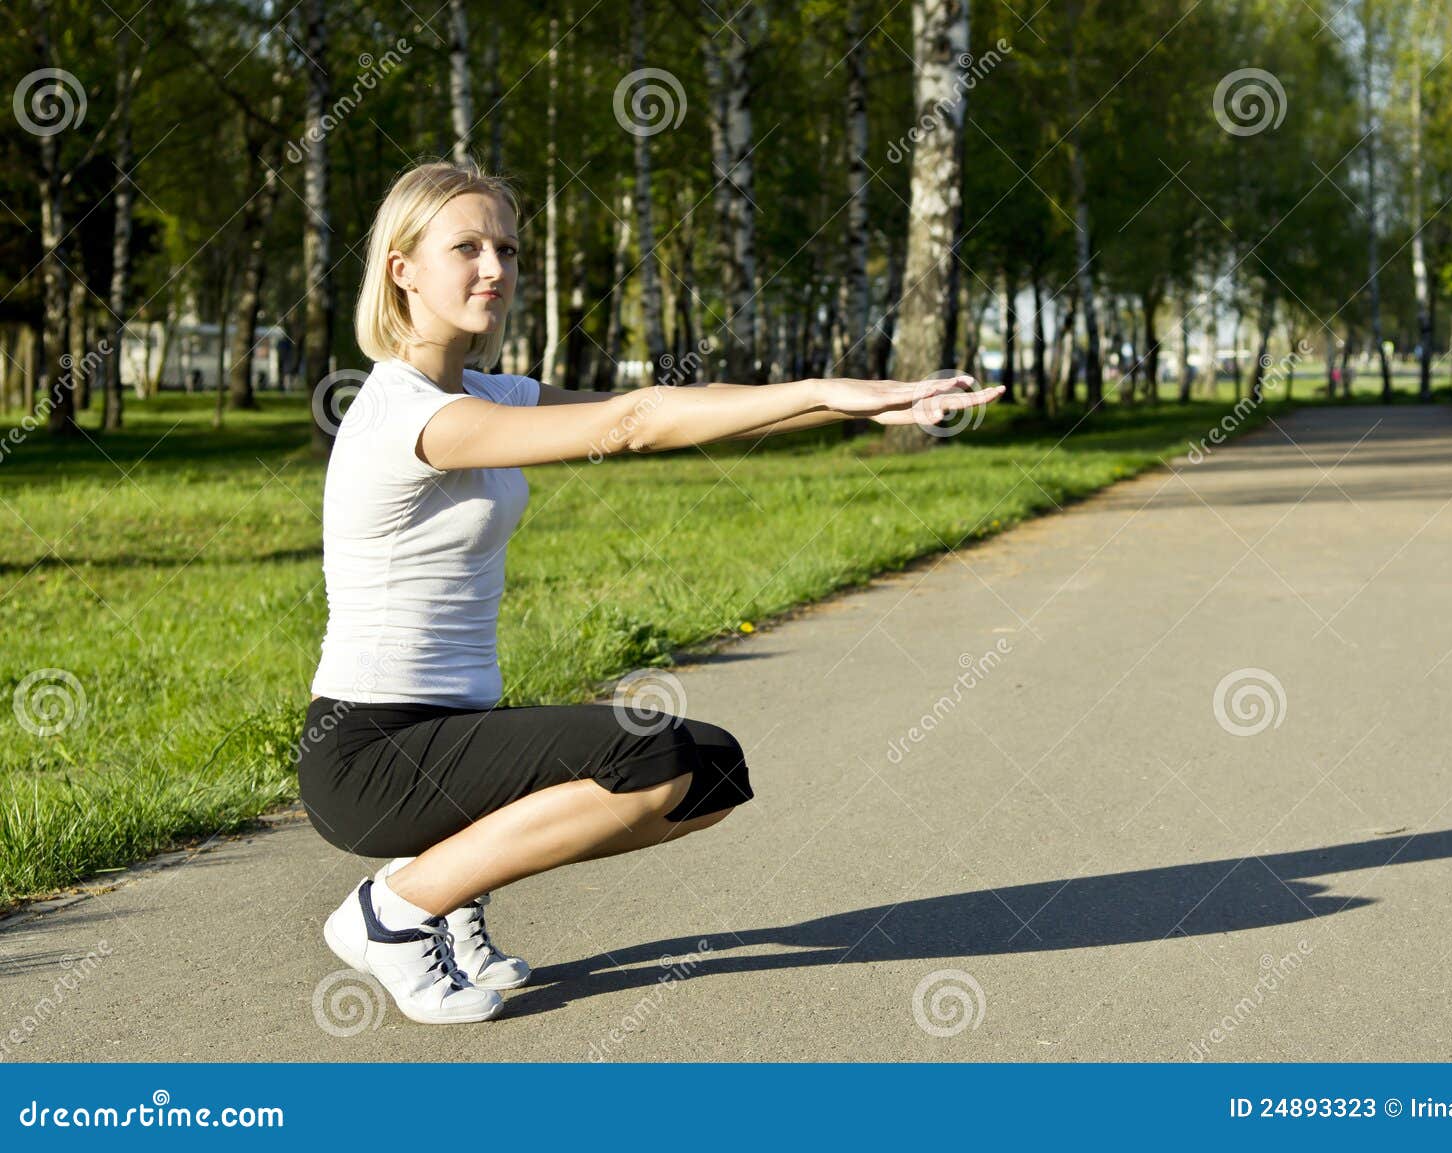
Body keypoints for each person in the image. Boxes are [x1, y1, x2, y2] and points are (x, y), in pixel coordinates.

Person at [297, 158, 1003, 1025]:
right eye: (467, 247)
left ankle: (444, 888)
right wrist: (821, 386)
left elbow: (668, 407)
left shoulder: (480, 390)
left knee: (710, 773)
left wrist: (862, 406)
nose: (496, 268)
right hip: (371, 754)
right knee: (650, 759)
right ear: (402, 270)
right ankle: (394, 914)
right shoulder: (404, 411)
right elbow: (629, 425)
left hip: (451, 734)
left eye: (508, 248)